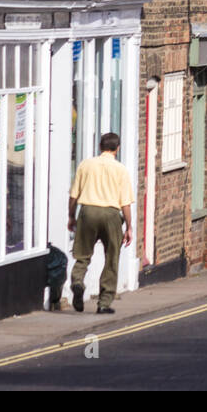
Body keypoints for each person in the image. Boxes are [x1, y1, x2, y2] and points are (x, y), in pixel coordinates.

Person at [68, 133, 133, 314]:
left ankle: (78, 281)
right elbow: (125, 203)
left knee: (82, 255)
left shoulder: (85, 165)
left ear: (100, 146)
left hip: (88, 211)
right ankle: (104, 303)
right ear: (117, 148)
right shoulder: (120, 169)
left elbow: (73, 195)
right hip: (111, 214)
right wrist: (129, 227)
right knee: (111, 258)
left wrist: (71, 216)